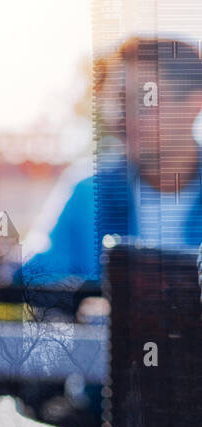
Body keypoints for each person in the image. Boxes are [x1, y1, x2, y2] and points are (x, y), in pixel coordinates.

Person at [15, 36, 202, 288]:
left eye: (143, 101)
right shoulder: (88, 192)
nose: (123, 119)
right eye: (119, 104)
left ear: (194, 103)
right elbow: (31, 278)